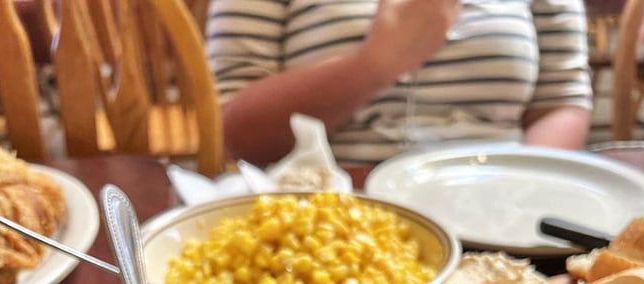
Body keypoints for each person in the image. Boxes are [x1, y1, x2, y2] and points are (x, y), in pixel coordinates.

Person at [205, 0, 593, 168]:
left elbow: (561, 101)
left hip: (499, 209)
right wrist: (374, 65)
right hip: (326, 214)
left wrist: (518, 189)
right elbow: (238, 133)